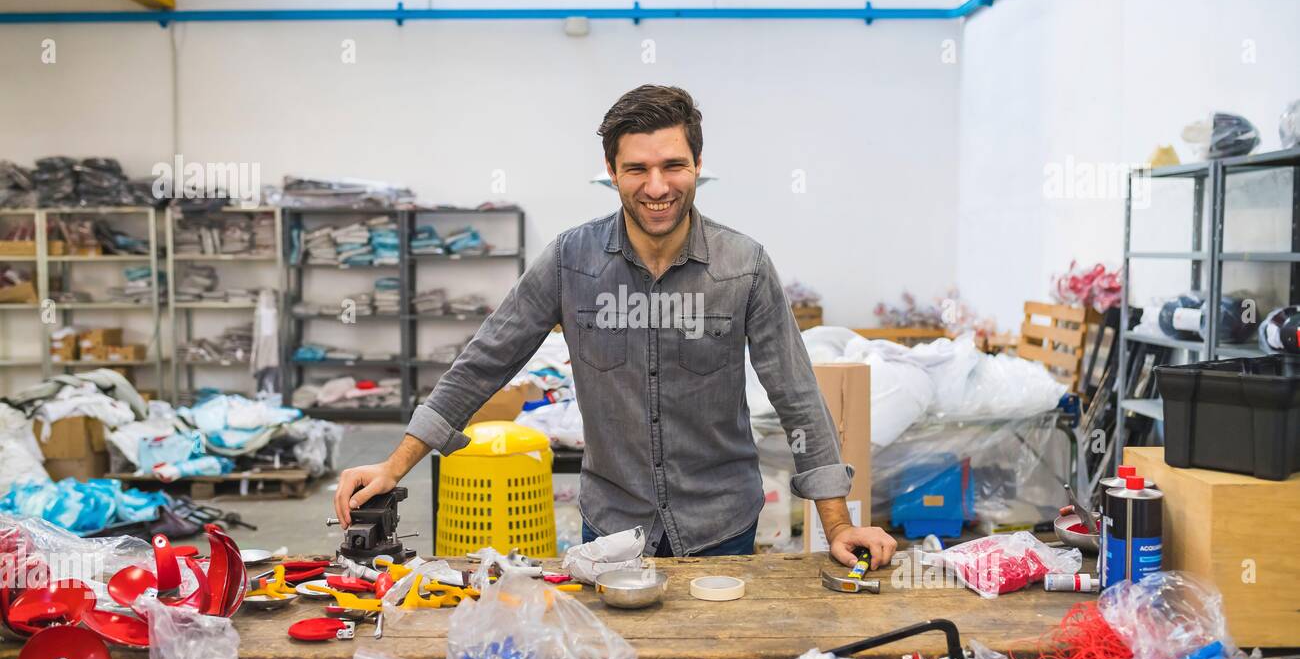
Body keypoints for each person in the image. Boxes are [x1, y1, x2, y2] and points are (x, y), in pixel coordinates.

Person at [334, 84, 897, 569]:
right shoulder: (570, 261)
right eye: (637, 169)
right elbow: (484, 362)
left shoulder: (743, 266)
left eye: (673, 165)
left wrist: (839, 526)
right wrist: (394, 463)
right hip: (612, 528)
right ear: (612, 173)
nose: (656, 186)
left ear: (698, 164)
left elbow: (797, 395)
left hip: (721, 526)